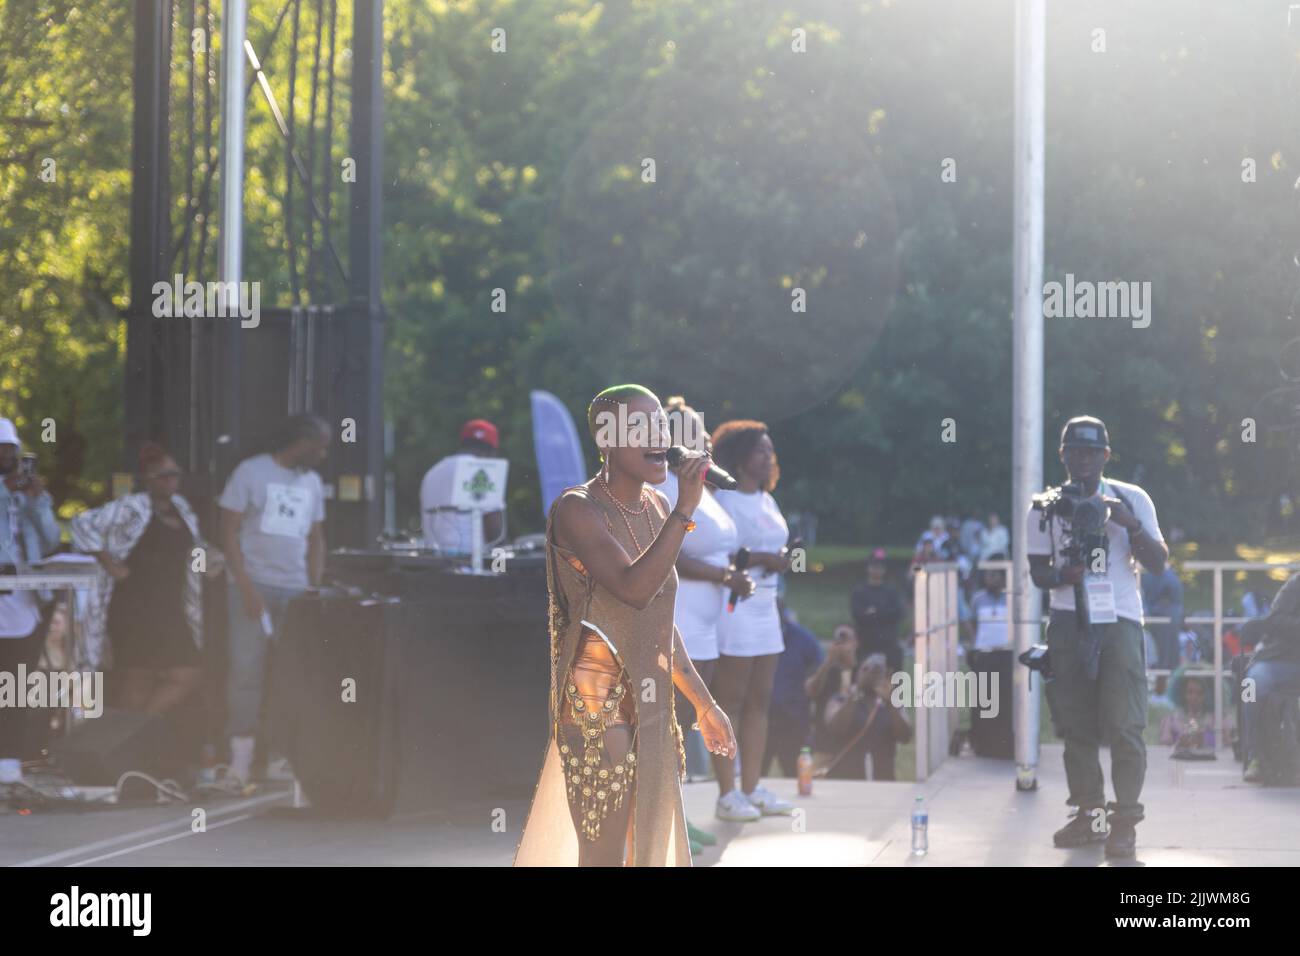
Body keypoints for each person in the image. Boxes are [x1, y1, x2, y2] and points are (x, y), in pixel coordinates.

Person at [514, 385, 736, 867]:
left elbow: (659, 622)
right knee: (604, 855)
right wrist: (686, 509)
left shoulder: (656, 507)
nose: (660, 435)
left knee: (649, 846)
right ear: (607, 440)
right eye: (643, 427)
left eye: (662, 425)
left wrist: (704, 702)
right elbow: (632, 590)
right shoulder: (578, 508)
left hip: (652, 697)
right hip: (597, 698)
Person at [1027, 416, 1167, 859]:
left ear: (1106, 455)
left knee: (1126, 724)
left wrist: (1128, 525)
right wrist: (1062, 576)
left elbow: (1160, 563)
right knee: (1074, 725)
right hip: (1068, 619)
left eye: (1092, 451)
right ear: (1062, 454)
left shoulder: (1131, 498)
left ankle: (1124, 818)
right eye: (1075, 451)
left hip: (1120, 619)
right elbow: (1037, 574)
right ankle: (1090, 813)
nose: (1083, 459)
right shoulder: (1044, 507)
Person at [658, 396, 753, 853]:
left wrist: (732, 573)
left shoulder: (705, 487)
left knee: (690, 724)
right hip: (681, 621)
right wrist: (720, 575)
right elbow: (670, 552)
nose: (705, 441)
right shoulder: (663, 488)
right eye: (694, 434)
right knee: (672, 724)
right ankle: (665, 819)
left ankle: (681, 813)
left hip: (710, 622)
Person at [218, 414, 329, 786]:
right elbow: (228, 531)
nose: (323, 455)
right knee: (247, 672)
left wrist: (313, 586)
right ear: (300, 442)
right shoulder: (251, 472)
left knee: (290, 674)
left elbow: (316, 539)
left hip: (295, 589)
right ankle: (240, 762)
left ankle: (281, 756)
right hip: (254, 584)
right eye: (319, 447)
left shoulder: (312, 482)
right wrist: (246, 587)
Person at [71, 442, 213, 716]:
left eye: (175, 474)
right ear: (149, 480)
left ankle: (136, 732)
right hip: (134, 605)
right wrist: (111, 565)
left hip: (171, 606)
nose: (171, 480)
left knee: (189, 673)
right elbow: (82, 523)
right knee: (138, 677)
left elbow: (194, 548)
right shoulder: (131, 507)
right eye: (164, 475)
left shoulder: (182, 508)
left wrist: (209, 564)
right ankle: (125, 747)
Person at [710, 419, 796, 821]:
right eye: (761, 450)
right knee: (731, 700)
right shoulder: (724, 500)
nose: (768, 457)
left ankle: (752, 786)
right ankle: (727, 794)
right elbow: (717, 554)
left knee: (761, 699)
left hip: (767, 606)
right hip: (736, 604)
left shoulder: (766, 499)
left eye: (770, 450)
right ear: (741, 457)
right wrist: (762, 559)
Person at [0, 418, 61, 786]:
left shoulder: (25, 494)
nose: (6, 456)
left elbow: (52, 539)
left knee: (16, 682)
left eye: (10, 449)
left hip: (23, 598)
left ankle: (9, 760)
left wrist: (37, 502)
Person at [1238, 572, 1300, 783]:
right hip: (1280, 659)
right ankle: (1255, 755)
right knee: (1250, 683)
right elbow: (1274, 619)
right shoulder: (1295, 584)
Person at [811, 650, 912, 780]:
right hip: (847, 779)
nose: (872, 675)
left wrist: (890, 703)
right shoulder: (840, 700)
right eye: (866, 669)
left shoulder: (893, 704)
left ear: (886, 674)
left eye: (878, 671)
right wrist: (856, 692)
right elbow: (835, 728)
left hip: (883, 780)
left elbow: (905, 737)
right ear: (858, 672)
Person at [419, 418, 505, 554]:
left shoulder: (432, 472)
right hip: (469, 563)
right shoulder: (482, 469)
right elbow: (495, 533)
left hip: (433, 563)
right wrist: (502, 564)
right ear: (491, 451)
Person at [765, 598, 825, 777]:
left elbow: (818, 677)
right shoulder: (753, 639)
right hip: (760, 720)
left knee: (796, 775)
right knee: (753, 776)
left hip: (793, 721)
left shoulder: (804, 640)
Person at [849, 548, 905, 673]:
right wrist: (883, 614)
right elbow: (857, 614)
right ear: (868, 568)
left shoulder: (891, 592)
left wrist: (874, 612)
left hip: (889, 645)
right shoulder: (860, 591)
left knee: (896, 680)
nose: (877, 570)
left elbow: (898, 613)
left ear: (884, 569)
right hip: (866, 645)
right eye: (874, 566)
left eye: (880, 567)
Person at [1142, 563, 1184, 678]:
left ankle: (1163, 686)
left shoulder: (1147, 576)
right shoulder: (1169, 577)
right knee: (1167, 657)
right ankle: (1166, 685)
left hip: (1158, 618)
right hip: (1167, 618)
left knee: (1163, 656)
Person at [970, 559, 1010, 652]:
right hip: (983, 649)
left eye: (993, 575)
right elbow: (974, 624)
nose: (988, 579)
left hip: (1006, 649)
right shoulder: (977, 599)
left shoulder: (1010, 599)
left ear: (1002, 577)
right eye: (986, 575)